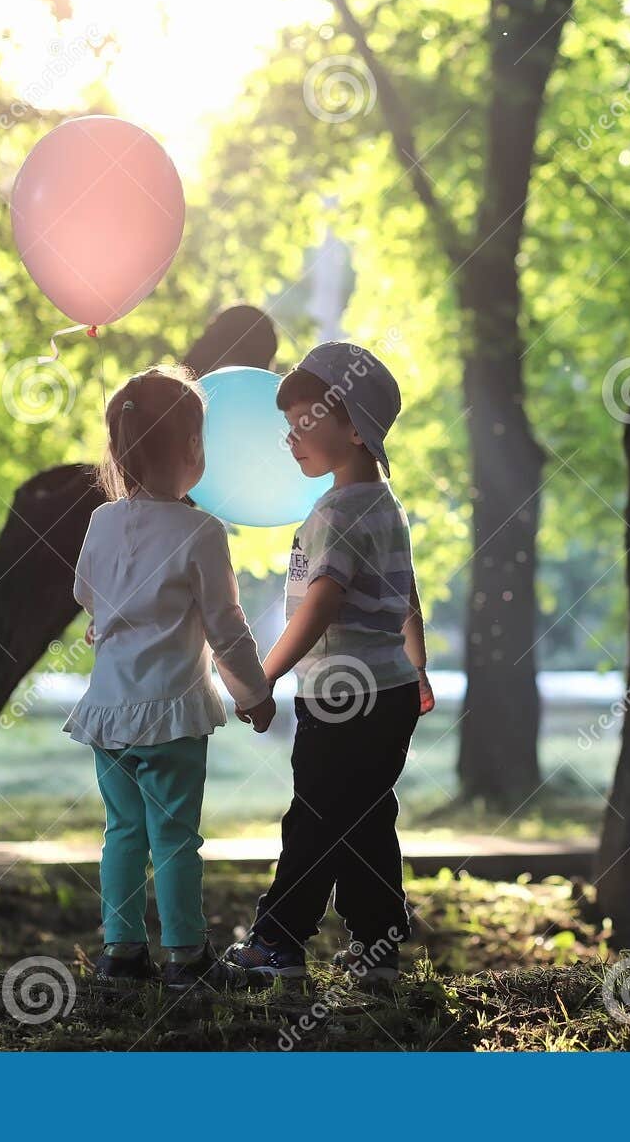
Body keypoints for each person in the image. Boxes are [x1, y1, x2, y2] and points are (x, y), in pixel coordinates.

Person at [225, 341, 433, 986]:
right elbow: (408, 597)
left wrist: (263, 677)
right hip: (389, 692)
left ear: (353, 425)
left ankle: (278, 943)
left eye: (305, 423)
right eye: (288, 427)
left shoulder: (337, 512)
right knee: (368, 818)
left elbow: (320, 603)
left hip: (341, 695)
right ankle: (376, 949)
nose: (292, 439)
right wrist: (417, 668)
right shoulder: (386, 505)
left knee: (315, 818)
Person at [65, 365, 277, 991]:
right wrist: (255, 692)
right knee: (176, 838)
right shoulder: (201, 532)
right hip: (173, 715)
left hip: (109, 712)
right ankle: (186, 956)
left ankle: (121, 953)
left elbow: (87, 594)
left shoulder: (101, 521)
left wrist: (111, 617)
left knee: (122, 834)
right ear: (191, 448)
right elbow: (226, 627)